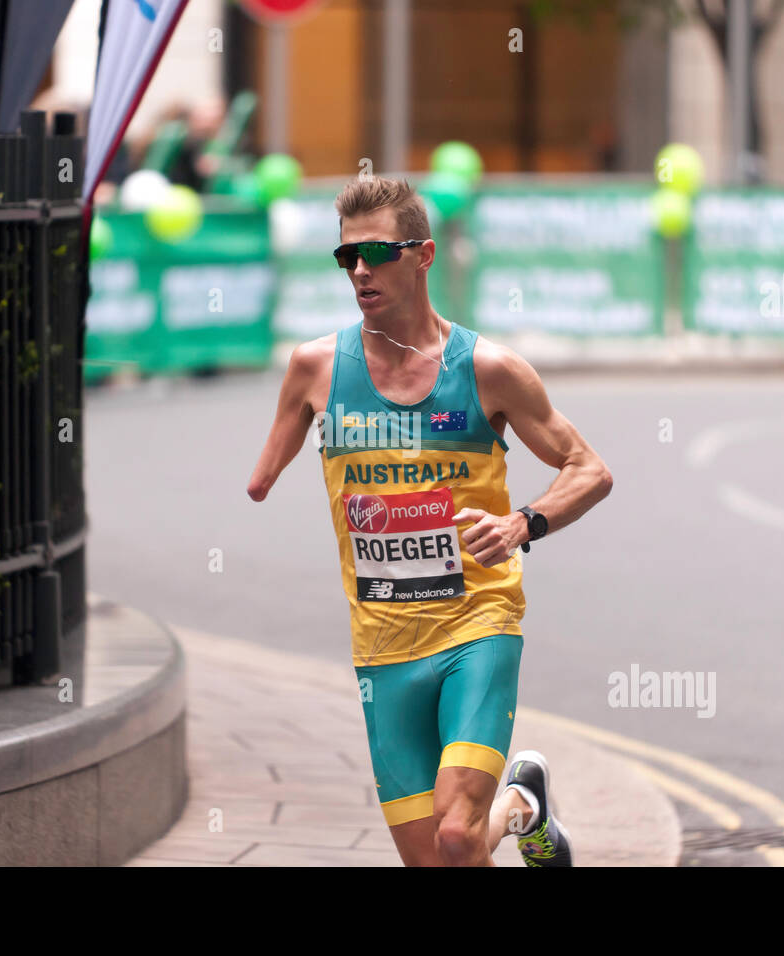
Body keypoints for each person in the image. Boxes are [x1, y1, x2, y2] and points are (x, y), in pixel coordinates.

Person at [246, 177, 613, 866]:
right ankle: (523, 806)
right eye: (347, 256)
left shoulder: (487, 368)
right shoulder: (316, 367)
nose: (360, 270)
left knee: (455, 834)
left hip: (478, 623)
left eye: (378, 253)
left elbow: (589, 469)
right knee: (437, 859)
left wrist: (521, 524)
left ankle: (507, 809)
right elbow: (262, 475)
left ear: (424, 255)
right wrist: (275, 468)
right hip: (381, 646)